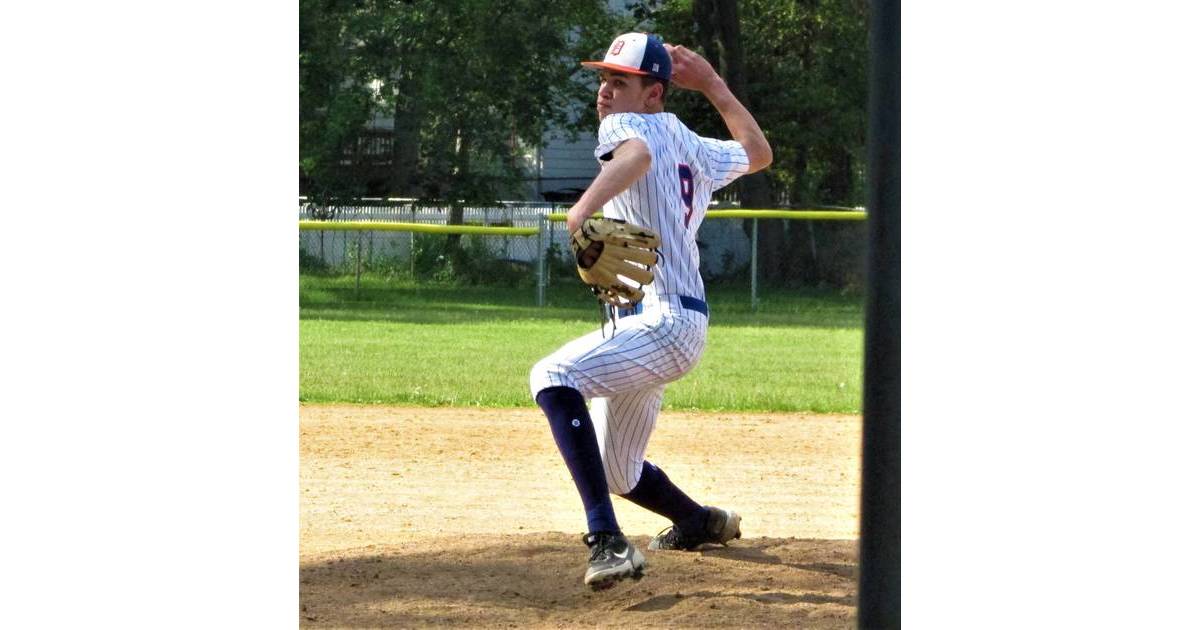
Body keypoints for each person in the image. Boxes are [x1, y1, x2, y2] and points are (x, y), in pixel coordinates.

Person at [529, 32, 773, 589]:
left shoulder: (625, 127)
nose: (605, 93)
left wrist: (579, 214)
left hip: (660, 320)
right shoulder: (691, 142)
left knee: (552, 374)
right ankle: (697, 519)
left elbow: (636, 156)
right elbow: (759, 154)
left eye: (620, 82)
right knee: (619, 470)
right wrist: (713, 85)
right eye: (603, 79)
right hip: (674, 325)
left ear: (654, 94)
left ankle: (607, 542)